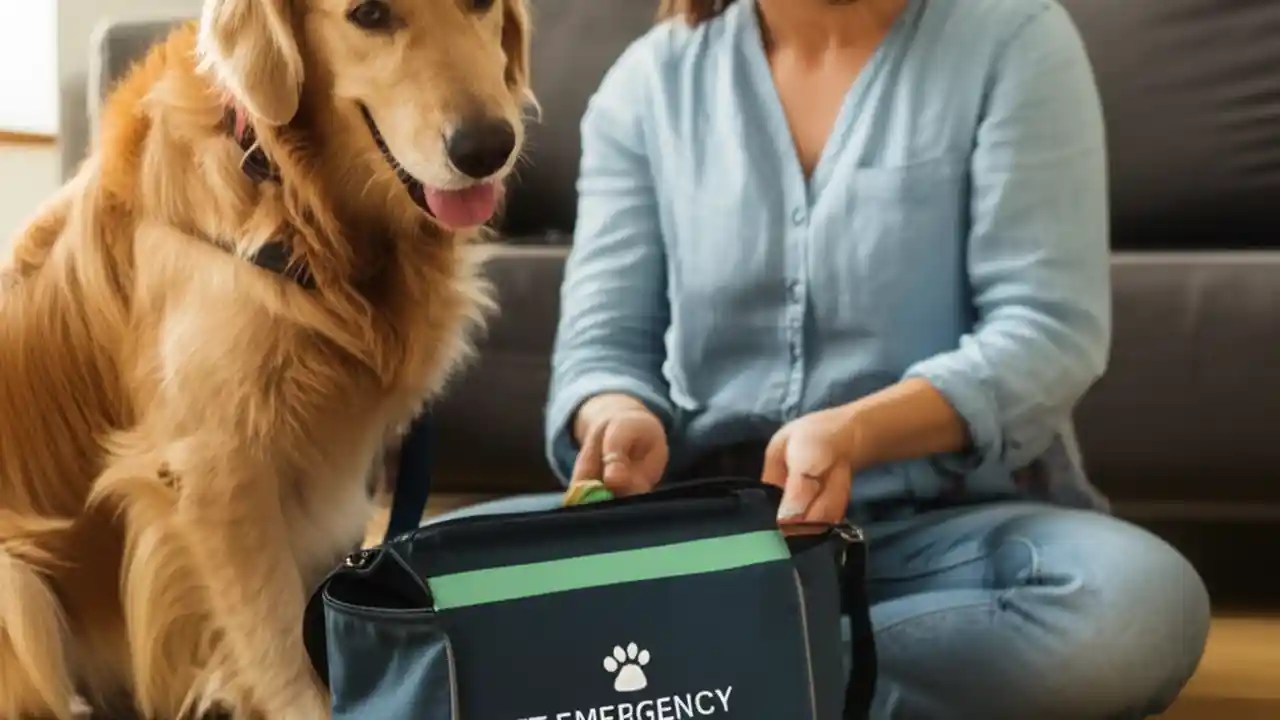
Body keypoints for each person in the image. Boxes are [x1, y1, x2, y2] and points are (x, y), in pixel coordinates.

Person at [437, 0, 1211, 716]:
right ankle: (761, 680)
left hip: (950, 538)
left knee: (1136, 608)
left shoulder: (1014, 40)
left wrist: (858, 434)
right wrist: (617, 414)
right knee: (432, 585)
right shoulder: (649, 84)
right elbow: (603, 349)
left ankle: (691, 685)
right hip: (715, 539)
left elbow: (1048, 332)